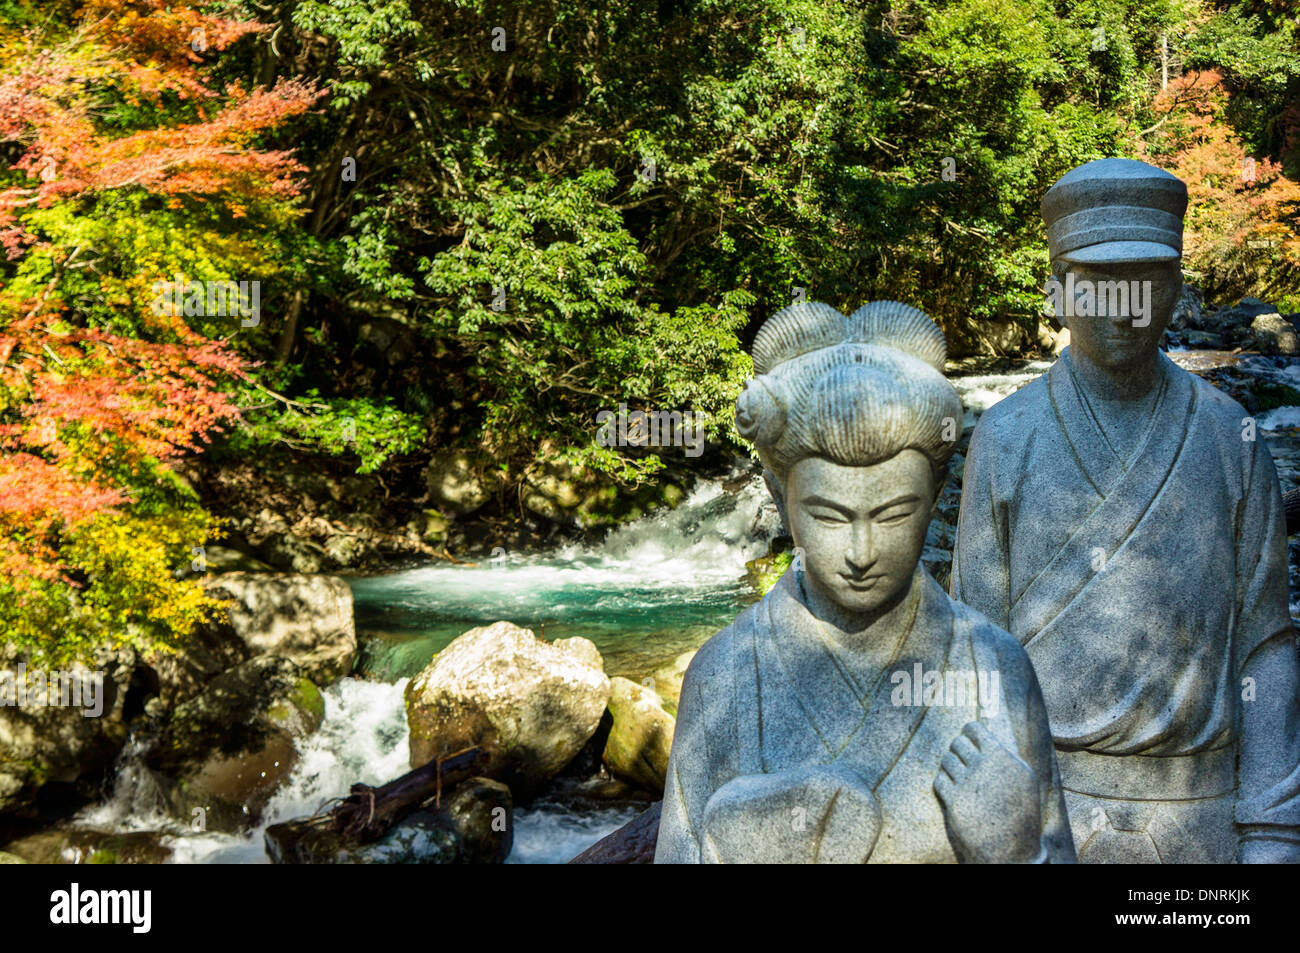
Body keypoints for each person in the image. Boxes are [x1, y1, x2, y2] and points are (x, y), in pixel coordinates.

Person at [951, 158, 1300, 863]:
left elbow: (1266, 644)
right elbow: (977, 647)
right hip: (1052, 812)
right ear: (1057, 290)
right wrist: (995, 810)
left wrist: (1272, 827)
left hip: (1202, 817)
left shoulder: (1230, 438)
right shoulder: (1006, 437)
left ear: (1175, 287)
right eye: (1097, 283)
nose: (1122, 305)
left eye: (1143, 280)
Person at [654, 300, 1076, 863]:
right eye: (829, 517)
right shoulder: (726, 673)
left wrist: (1017, 850)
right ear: (781, 500)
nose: (860, 554)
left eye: (894, 514)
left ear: (936, 497)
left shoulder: (993, 666)